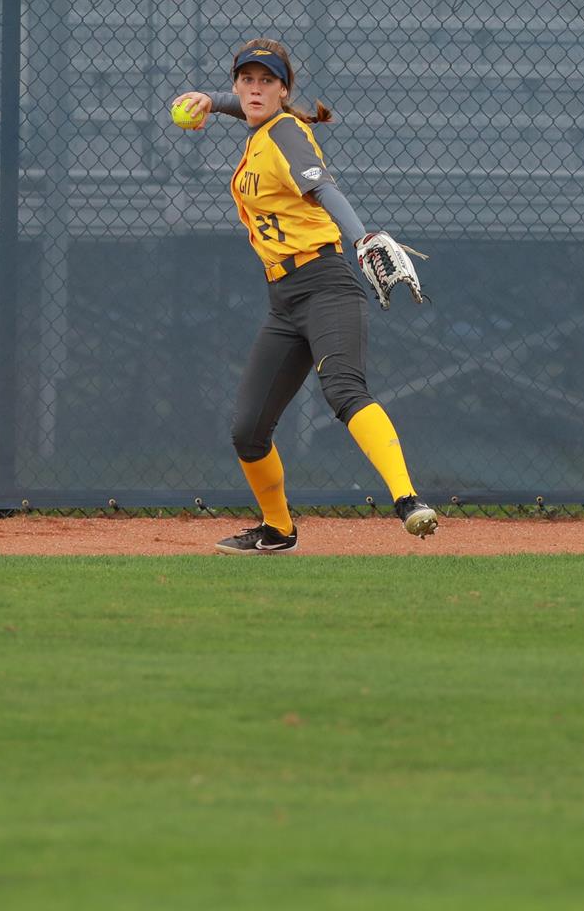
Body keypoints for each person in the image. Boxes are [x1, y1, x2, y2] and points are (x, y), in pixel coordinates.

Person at [171, 38, 438, 554]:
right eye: (246, 79)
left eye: (266, 81)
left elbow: (323, 189)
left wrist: (360, 236)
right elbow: (245, 110)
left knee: (344, 391)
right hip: (283, 301)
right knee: (248, 430)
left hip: (325, 283)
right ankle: (278, 530)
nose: (255, 88)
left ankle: (408, 501)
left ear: (283, 90)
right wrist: (210, 99)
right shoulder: (262, 127)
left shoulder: (286, 132)